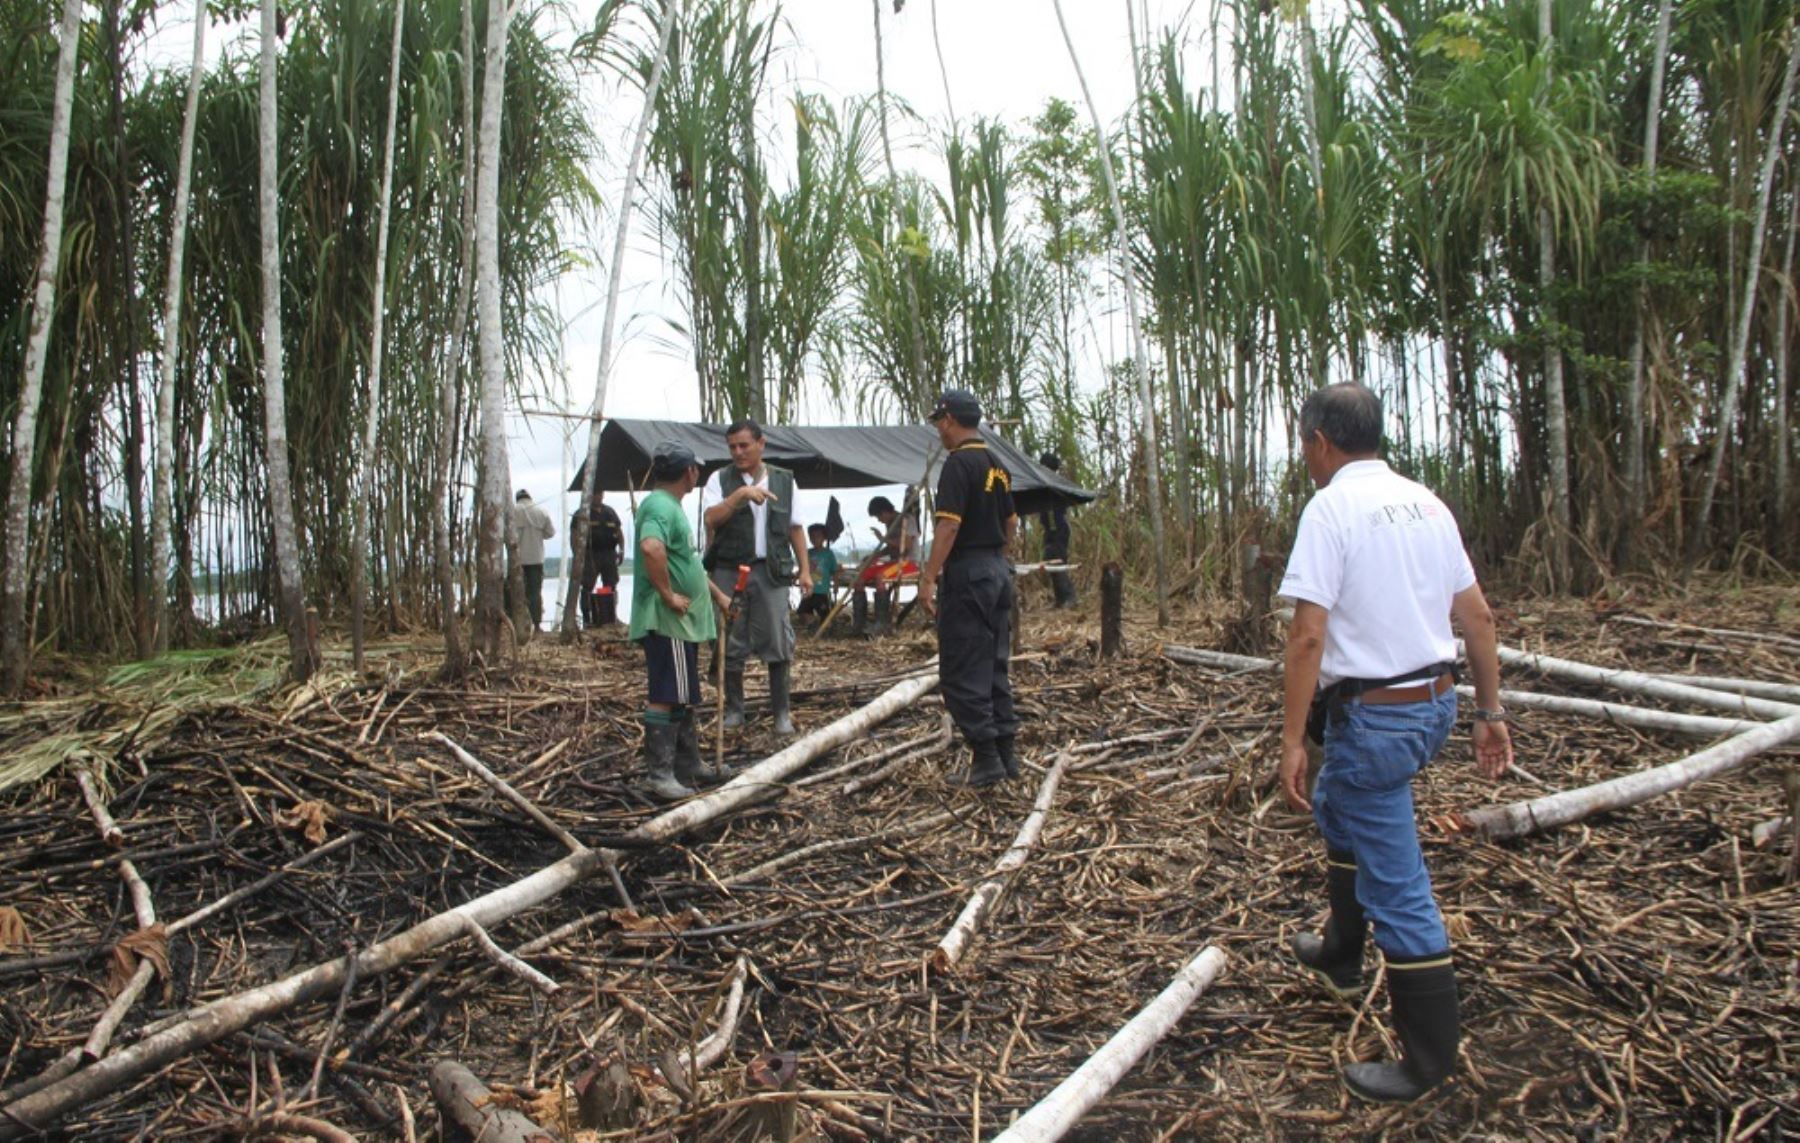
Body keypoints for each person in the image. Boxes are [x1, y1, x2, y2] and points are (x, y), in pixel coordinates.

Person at [1276, 382, 1512, 1103]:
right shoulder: (1426, 504)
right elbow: (1477, 618)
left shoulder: (1331, 508)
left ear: (1320, 440)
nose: (1305, 456)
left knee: (1398, 881)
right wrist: (1489, 710)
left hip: (1376, 720)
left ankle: (1428, 1058)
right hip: (1432, 707)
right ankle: (1342, 952)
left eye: (1304, 444)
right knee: (1341, 812)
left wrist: (1290, 740)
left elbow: (1308, 633)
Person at [918, 390, 1020, 788]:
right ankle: (1007, 755)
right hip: (997, 569)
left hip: (970, 573)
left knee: (961, 669)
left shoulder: (959, 465)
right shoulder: (997, 463)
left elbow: (949, 526)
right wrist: (997, 558)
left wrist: (928, 577)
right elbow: (1011, 522)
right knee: (994, 663)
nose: (938, 431)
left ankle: (987, 758)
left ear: (947, 420)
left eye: (937, 422)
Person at [630, 442, 732, 801]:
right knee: (666, 695)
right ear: (690, 472)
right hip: (667, 619)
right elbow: (651, 548)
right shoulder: (659, 505)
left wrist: (718, 596)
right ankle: (660, 775)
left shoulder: (670, 506)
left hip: (682, 623)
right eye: (696, 470)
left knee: (683, 695)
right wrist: (668, 595)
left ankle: (688, 765)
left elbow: (684, 559)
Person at [701, 419, 812, 735]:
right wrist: (739, 496)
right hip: (728, 569)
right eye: (732, 446)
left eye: (744, 445)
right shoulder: (719, 480)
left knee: (777, 639)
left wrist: (804, 570)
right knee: (728, 639)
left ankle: (781, 714)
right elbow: (711, 519)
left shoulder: (783, 481)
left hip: (770, 571)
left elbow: (795, 527)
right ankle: (735, 710)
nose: (738, 452)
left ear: (761, 444)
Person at [853, 495, 919, 635]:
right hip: (893, 562)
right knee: (859, 577)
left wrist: (882, 538)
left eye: (879, 517)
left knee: (880, 576)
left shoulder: (907, 520)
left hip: (908, 563)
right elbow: (890, 548)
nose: (879, 520)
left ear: (885, 512)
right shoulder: (890, 524)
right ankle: (859, 623)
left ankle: (881, 623)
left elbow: (906, 546)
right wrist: (873, 557)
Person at [507, 489, 556, 629]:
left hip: (517, 560)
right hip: (536, 559)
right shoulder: (542, 511)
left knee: (515, 592)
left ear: (517, 499)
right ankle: (536, 623)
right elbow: (550, 533)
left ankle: (515, 623)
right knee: (535, 593)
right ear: (530, 497)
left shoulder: (512, 511)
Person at [575, 495, 625, 627]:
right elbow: (574, 535)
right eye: (596, 492)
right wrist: (577, 555)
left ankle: (611, 617)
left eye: (601, 493)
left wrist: (622, 550)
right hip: (590, 554)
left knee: (611, 585)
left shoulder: (610, 512)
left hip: (609, 554)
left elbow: (619, 532)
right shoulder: (581, 513)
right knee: (587, 587)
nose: (599, 496)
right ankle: (587, 619)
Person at [1037, 452, 1078, 609]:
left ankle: (1069, 597)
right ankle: (1060, 598)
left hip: (1058, 529)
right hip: (1051, 530)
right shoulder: (1047, 483)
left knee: (1058, 561)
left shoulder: (1054, 484)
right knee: (1051, 560)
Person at [797, 524, 838, 623]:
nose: (815, 539)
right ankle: (812, 624)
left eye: (818, 536)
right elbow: (802, 568)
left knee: (825, 614)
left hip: (822, 591)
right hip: (809, 590)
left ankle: (824, 627)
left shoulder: (828, 554)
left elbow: (834, 571)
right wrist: (797, 576)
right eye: (812, 537)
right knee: (802, 611)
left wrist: (836, 584)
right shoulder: (807, 553)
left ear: (824, 538)